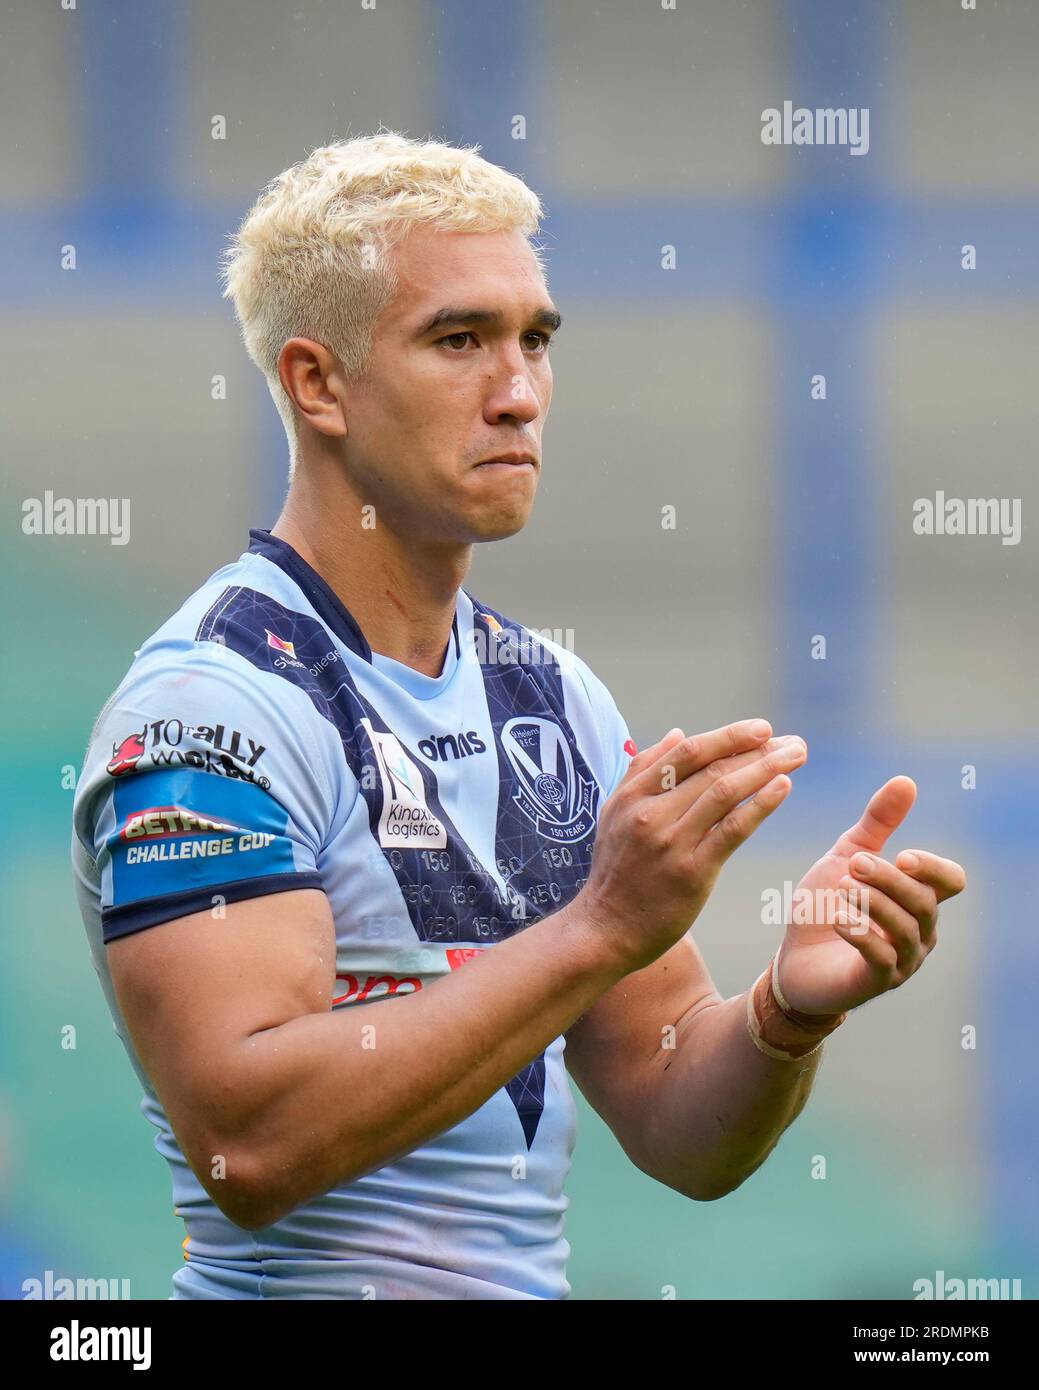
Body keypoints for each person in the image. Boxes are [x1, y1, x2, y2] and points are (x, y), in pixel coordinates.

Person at [71, 132, 966, 1300]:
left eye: (534, 339)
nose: (519, 392)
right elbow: (252, 1147)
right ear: (316, 382)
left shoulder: (550, 694)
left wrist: (784, 1015)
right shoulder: (209, 710)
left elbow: (674, 1125)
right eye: (459, 340)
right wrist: (597, 926)